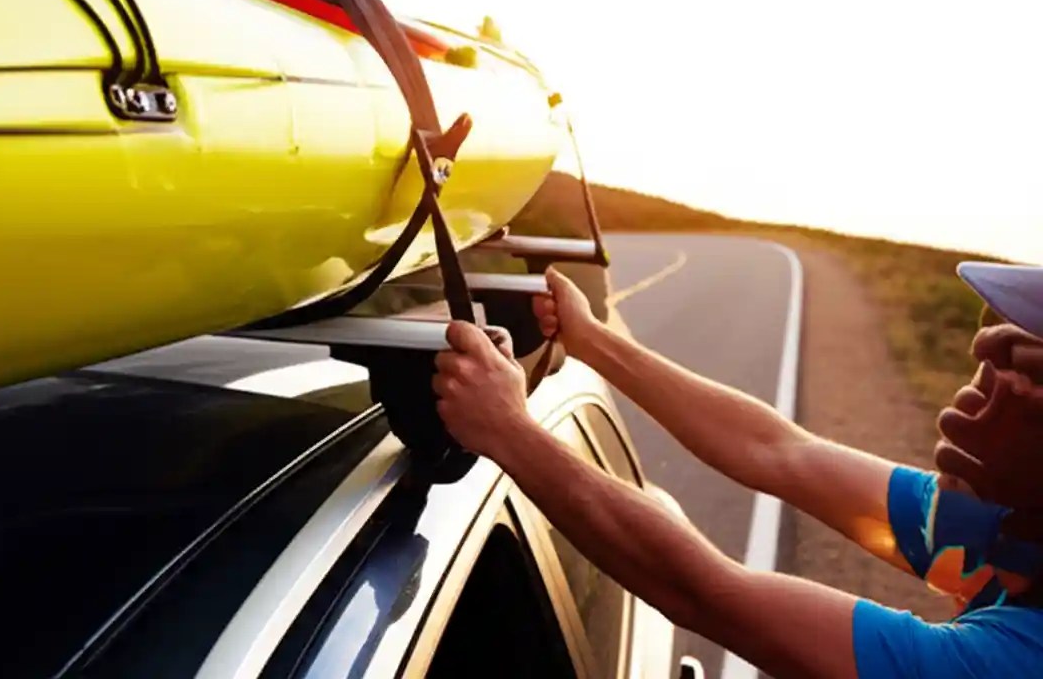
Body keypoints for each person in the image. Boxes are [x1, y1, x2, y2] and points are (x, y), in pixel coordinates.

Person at [432, 260, 1043, 678]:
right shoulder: (1002, 530)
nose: (974, 403)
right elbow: (778, 450)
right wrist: (592, 340)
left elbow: (704, 592)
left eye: (1021, 397)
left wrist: (510, 432)